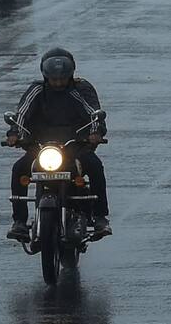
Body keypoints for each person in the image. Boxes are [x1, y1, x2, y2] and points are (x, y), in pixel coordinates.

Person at [6, 48, 109, 241]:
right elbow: (22, 112)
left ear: (70, 75)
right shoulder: (37, 90)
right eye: (54, 79)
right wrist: (14, 133)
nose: (58, 83)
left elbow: (93, 112)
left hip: (75, 147)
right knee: (19, 169)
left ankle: (100, 217)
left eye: (62, 79)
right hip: (41, 148)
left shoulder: (81, 89)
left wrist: (95, 132)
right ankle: (19, 222)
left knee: (95, 167)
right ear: (46, 76)